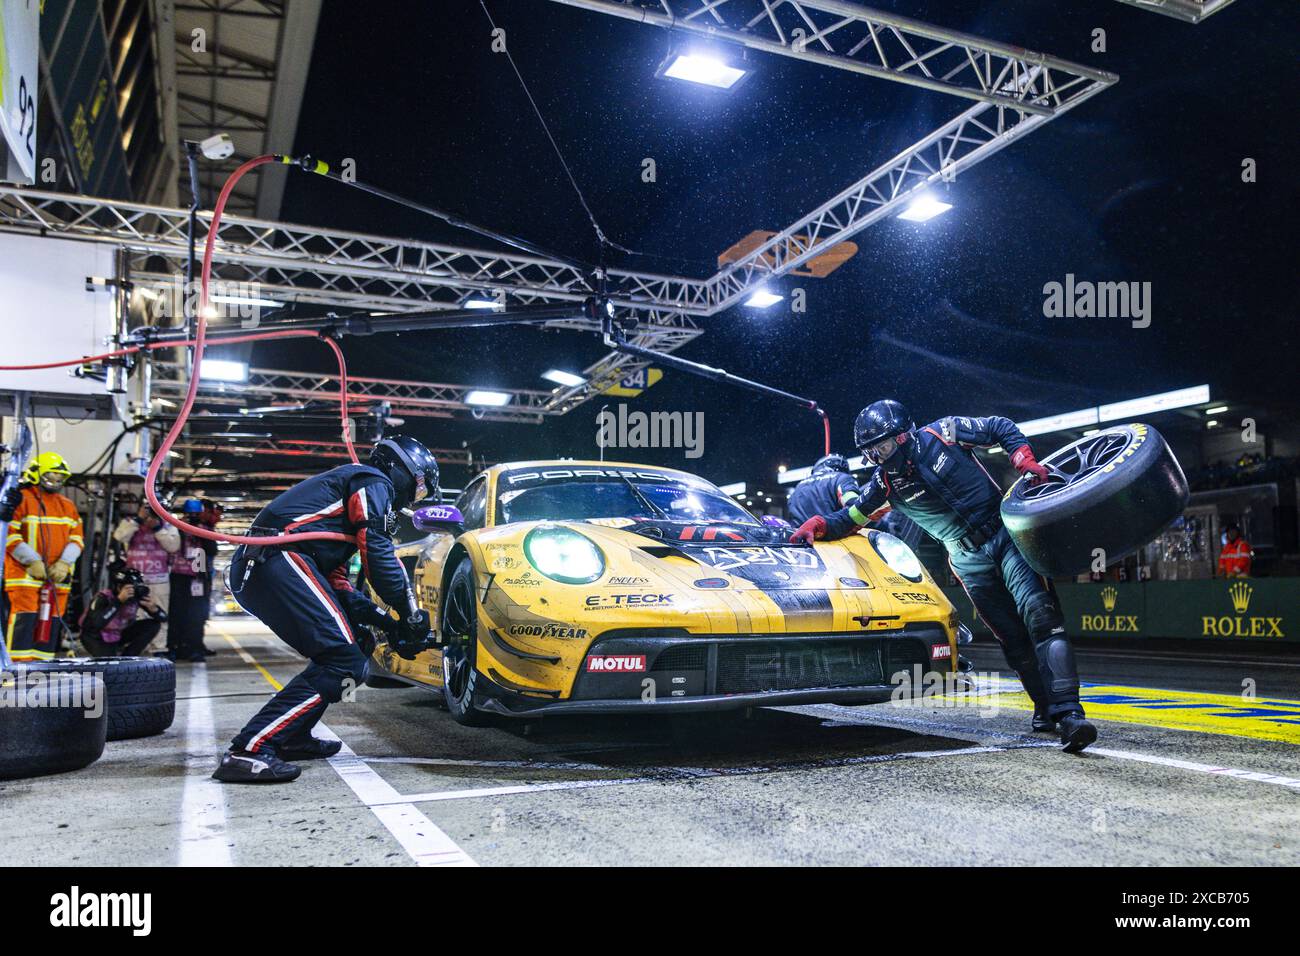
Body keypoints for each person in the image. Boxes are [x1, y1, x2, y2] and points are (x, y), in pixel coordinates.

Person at [790, 400, 1097, 753]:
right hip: (967, 560)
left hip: (1005, 535)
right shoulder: (883, 485)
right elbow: (853, 516)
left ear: (904, 436)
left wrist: (1023, 460)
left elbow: (999, 425)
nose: (878, 457)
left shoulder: (944, 432)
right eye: (870, 452)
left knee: (1042, 617)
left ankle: (1070, 713)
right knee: (1012, 638)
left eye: (883, 447)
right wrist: (822, 524)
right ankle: (1044, 708)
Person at [213, 435, 442, 783]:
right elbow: (378, 554)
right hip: (276, 560)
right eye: (420, 489)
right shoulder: (371, 481)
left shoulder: (335, 522)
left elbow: (339, 586)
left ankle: (291, 736)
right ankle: (249, 751)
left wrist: (386, 622)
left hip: (265, 567)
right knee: (343, 662)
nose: (412, 500)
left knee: (357, 647)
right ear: (405, 473)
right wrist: (408, 610)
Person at [4, 452, 84, 662]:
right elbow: (8, 535)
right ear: (36, 473)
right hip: (25, 574)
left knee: (51, 621)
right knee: (25, 618)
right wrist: (32, 560)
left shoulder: (67, 506)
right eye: (51, 476)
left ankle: (42, 667)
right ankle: (16, 669)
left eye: (60, 478)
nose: (56, 482)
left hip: (57, 576)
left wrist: (64, 563)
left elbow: (77, 539)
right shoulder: (21, 500)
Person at [113, 498, 181, 651]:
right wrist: (138, 520)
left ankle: (159, 649)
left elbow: (173, 546)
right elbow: (119, 537)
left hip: (159, 580)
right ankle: (135, 648)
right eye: (148, 508)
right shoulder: (131, 522)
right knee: (133, 615)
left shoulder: (168, 524)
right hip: (134, 580)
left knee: (160, 613)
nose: (151, 512)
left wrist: (157, 528)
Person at [78, 562, 168, 657]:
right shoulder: (104, 597)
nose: (133, 590)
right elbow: (96, 624)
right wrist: (118, 601)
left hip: (118, 633)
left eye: (136, 586)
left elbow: (164, 618)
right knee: (110, 663)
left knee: (153, 625)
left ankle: (128, 657)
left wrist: (154, 609)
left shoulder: (136, 597)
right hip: (95, 636)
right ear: (119, 586)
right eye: (130, 587)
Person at [166, 499, 215, 662]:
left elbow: (212, 549)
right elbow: (172, 546)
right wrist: (182, 528)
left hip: (198, 576)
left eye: (196, 514)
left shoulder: (205, 528)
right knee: (177, 613)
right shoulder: (175, 526)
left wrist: (200, 531)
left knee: (197, 614)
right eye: (190, 514)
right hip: (178, 575)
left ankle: (195, 648)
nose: (193, 517)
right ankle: (176, 647)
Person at [788, 454, 861, 525]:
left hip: (802, 535)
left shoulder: (798, 486)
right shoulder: (842, 478)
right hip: (832, 534)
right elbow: (855, 507)